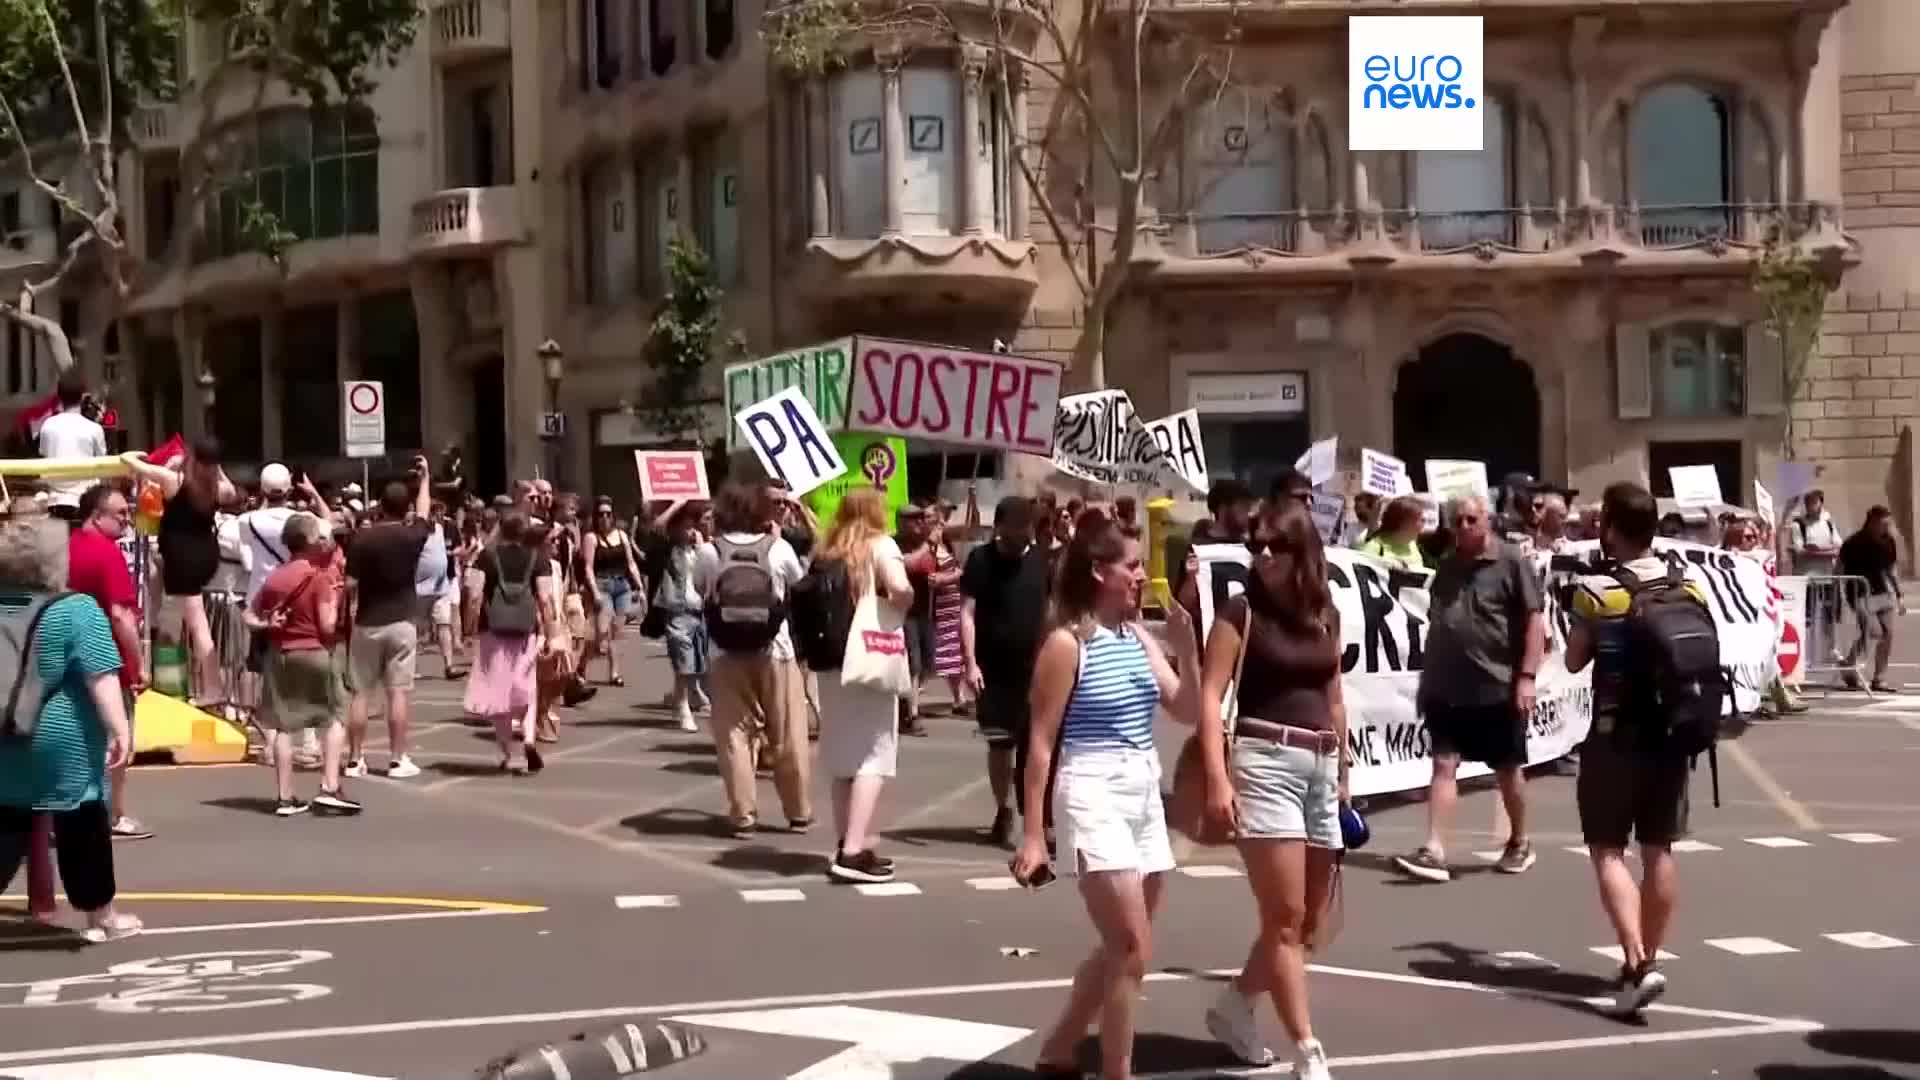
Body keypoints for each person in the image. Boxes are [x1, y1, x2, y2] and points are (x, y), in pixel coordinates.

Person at [1010, 517, 1198, 1080]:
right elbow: (1041, 743)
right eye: (1133, 566)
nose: (1142, 576)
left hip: (1142, 787)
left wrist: (1187, 652)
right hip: (1092, 785)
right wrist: (1033, 834)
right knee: (1132, 948)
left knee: (1126, 948)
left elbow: (1185, 709)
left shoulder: (1138, 637)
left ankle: (1059, 1048)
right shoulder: (1067, 644)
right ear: (1099, 572)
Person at [1198, 502, 1346, 1079]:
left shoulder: (1323, 612)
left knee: (1311, 923)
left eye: (1274, 546)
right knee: (1284, 918)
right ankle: (1307, 1050)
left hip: (1320, 762)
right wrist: (1217, 777)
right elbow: (1210, 698)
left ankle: (1235, 1005)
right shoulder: (1241, 611)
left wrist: (1345, 771)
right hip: (1264, 761)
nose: (1261, 555)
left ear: (1300, 551)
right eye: (1255, 545)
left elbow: (1334, 695)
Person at [1563, 481, 1707, 1017]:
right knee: (1659, 848)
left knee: (1606, 847)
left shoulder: (1597, 591)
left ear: (1611, 529)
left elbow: (1576, 661)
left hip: (1614, 734)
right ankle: (1650, 955)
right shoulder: (1688, 586)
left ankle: (1638, 961)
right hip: (1673, 733)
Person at [0, 515, 141, 942]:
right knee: (83, 825)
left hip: (5, 735)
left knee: (6, 826)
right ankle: (101, 916)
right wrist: (121, 729)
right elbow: (101, 675)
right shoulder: (76, 609)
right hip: (64, 739)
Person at [1393, 493, 1546, 883]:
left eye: (1470, 519)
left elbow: (1533, 623)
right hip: (1447, 687)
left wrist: (1526, 677)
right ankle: (1434, 849)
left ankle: (1520, 840)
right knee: (1444, 764)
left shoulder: (1511, 562)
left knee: (1507, 769)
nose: (1463, 527)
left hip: (1496, 685)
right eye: (1456, 521)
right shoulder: (1447, 566)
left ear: (1487, 520)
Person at [695, 484, 811, 838]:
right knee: (788, 732)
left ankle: (743, 815)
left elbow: (699, 592)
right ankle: (798, 812)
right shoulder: (779, 548)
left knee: (734, 736)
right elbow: (801, 585)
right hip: (775, 649)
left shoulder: (709, 552)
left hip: (724, 651)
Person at [813, 486, 912, 883]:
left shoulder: (826, 551)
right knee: (875, 755)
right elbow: (901, 589)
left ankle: (845, 842)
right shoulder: (881, 545)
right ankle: (854, 849)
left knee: (843, 759)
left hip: (831, 660)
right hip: (869, 655)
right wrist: (898, 603)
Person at [247, 513, 360, 817]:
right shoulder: (319, 578)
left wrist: (266, 623)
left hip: (281, 653)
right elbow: (326, 626)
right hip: (316, 653)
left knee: (284, 726)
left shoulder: (274, 578)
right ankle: (329, 786)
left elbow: (249, 615)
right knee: (334, 716)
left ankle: (285, 797)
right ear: (310, 541)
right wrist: (337, 601)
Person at [960, 496, 1052, 848]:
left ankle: (1037, 815)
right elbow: (967, 612)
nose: (1022, 532)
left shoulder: (1042, 561)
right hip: (992, 668)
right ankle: (1004, 809)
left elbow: (1052, 610)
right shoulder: (981, 560)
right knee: (1000, 745)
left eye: (1026, 525)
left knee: (1036, 745)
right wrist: (970, 663)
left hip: (1037, 668)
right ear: (999, 527)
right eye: (1015, 525)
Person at [124, 437, 235, 713]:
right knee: (191, 620)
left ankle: (212, 688)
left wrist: (137, 454)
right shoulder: (219, 488)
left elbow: (132, 464)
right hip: (206, 555)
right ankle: (205, 684)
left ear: (194, 459)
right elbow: (230, 488)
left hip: (181, 558)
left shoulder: (175, 481)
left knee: (198, 626)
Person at [67, 486, 150, 842]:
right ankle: (112, 813)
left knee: (78, 739)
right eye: (119, 514)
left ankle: (74, 809)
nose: (126, 520)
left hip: (66, 659)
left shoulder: (65, 549)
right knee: (118, 739)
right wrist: (139, 662)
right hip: (106, 659)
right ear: (96, 515)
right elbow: (121, 615)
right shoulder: (107, 554)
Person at [344, 463, 434, 779]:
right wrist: (425, 480)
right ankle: (398, 760)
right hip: (402, 620)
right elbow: (424, 514)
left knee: (360, 693)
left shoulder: (362, 539)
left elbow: (350, 585)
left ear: (379, 506)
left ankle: (355, 760)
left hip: (368, 620)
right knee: (398, 692)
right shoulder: (411, 535)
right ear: (405, 508)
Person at [465, 512, 565, 774]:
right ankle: (530, 738)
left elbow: (474, 595)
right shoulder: (538, 558)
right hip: (525, 630)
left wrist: (468, 627)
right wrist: (552, 635)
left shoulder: (487, 555)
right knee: (527, 688)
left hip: (493, 630)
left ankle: (510, 754)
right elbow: (545, 599)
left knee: (499, 695)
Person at [655, 502, 711, 733]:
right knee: (683, 662)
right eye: (685, 527)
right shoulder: (670, 549)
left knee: (697, 663)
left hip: (700, 610)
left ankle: (682, 699)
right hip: (677, 609)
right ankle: (684, 708)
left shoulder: (703, 550)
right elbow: (658, 526)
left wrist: (701, 548)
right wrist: (681, 500)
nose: (690, 532)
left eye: (692, 527)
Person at [1839, 505, 1902, 692]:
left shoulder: (1888, 541)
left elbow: (1891, 569)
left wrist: (1899, 595)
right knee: (1873, 632)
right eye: (1884, 524)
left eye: (1888, 524)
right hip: (1860, 593)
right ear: (1872, 522)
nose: (1887, 528)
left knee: (1888, 633)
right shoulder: (1853, 542)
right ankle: (1848, 664)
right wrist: (1840, 592)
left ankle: (1879, 678)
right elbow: (1839, 568)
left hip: (1883, 592)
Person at [583, 497, 644, 687]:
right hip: (602, 585)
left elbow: (631, 563)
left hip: (622, 586)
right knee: (601, 633)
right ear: (595, 517)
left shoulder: (621, 535)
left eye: (608, 514)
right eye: (600, 514)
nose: (604, 518)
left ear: (613, 516)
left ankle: (614, 673)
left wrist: (639, 586)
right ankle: (580, 666)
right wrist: (594, 592)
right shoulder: (591, 538)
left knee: (616, 633)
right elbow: (588, 567)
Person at [37, 369, 108, 525]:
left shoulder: (47, 425)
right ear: (83, 397)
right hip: (84, 504)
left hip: (55, 503)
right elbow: (104, 468)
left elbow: (44, 456)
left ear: (59, 396)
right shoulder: (94, 429)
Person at [896, 504, 937, 736]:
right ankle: (911, 714)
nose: (919, 523)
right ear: (901, 522)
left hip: (925, 611)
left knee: (927, 665)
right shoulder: (894, 543)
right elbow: (906, 563)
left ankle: (906, 707)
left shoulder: (929, 544)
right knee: (913, 664)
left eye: (921, 519)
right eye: (913, 519)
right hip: (905, 613)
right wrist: (926, 547)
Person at [927, 512, 968, 714]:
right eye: (938, 524)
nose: (942, 527)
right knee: (949, 652)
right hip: (941, 606)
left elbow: (972, 524)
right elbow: (933, 579)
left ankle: (959, 696)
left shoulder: (948, 546)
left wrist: (972, 498)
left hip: (957, 603)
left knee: (960, 650)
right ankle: (958, 696)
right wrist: (954, 576)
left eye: (943, 524)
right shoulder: (929, 550)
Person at [1357, 496, 1426, 572]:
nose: (1424, 524)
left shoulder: (1412, 545)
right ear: (1405, 522)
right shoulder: (1374, 547)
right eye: (1421, 520)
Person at [1787, 489, 1841, 575]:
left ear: (1821, 504)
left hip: (1827, 577)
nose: (1810, 506)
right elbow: (1800, 551)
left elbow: (1838, 549)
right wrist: (1828, 550)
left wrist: (1817, 549)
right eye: (1807, 503)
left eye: (1814, 502)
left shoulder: (1829, 524)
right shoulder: (1798, 524)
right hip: (1805, 577)